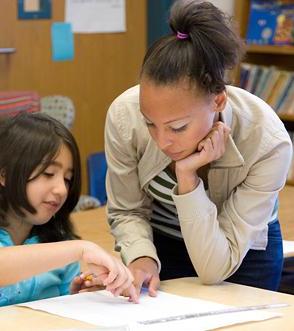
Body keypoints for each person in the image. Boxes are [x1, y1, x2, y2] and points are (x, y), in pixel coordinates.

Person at [104, 0, 293, 297]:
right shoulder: (124, 116)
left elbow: (214, 268)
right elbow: (127, 209)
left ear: (218, 101)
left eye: (177, 127)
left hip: (242, 255)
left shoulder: (267, 140)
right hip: (163, 242)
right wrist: (141, 256)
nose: (162, 140)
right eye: (150, 123)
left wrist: (188, 177)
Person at [0, 112, 137, 316]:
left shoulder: (57, 242)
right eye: (48, 174)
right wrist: (80, 248)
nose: (62, 189)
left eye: (67, 179)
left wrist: (78, 296)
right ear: (5, 175)